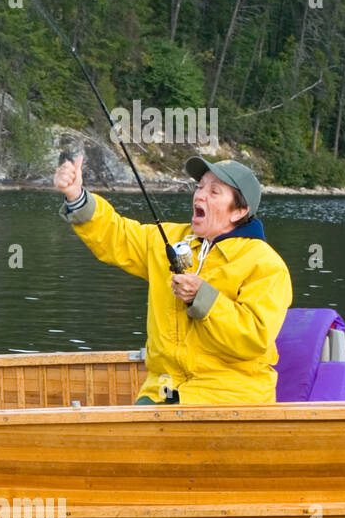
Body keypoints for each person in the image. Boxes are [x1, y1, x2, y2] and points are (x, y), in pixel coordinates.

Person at [54, 152, 292, 404]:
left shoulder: (266, 264)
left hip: (232, 396)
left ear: (239, 211)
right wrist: (76, 196)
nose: (199, 195)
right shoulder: (167, 238)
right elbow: (116, 236)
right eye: (199, 187)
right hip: (162, 391)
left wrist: (204, 297)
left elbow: (254, 337)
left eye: (214, 192)